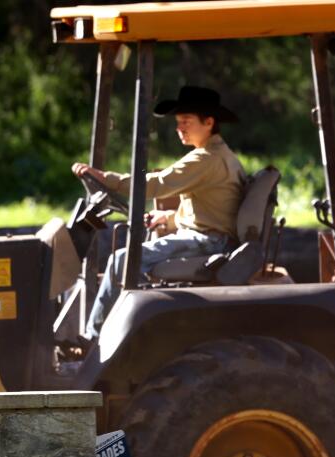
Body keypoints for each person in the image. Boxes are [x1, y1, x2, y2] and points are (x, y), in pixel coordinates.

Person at [72, 85, 247, 341]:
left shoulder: (206, 159)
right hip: (210, 236)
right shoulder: (216, 156)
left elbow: (156, 184)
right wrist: (170, 218)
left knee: (121, 261)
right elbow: (209, 208)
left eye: (186, 121)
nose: (179, 128)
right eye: (178, 122)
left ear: (208, 122)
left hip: (209, 242)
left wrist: (106, 179)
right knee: (126, 258)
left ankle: (92, 341)